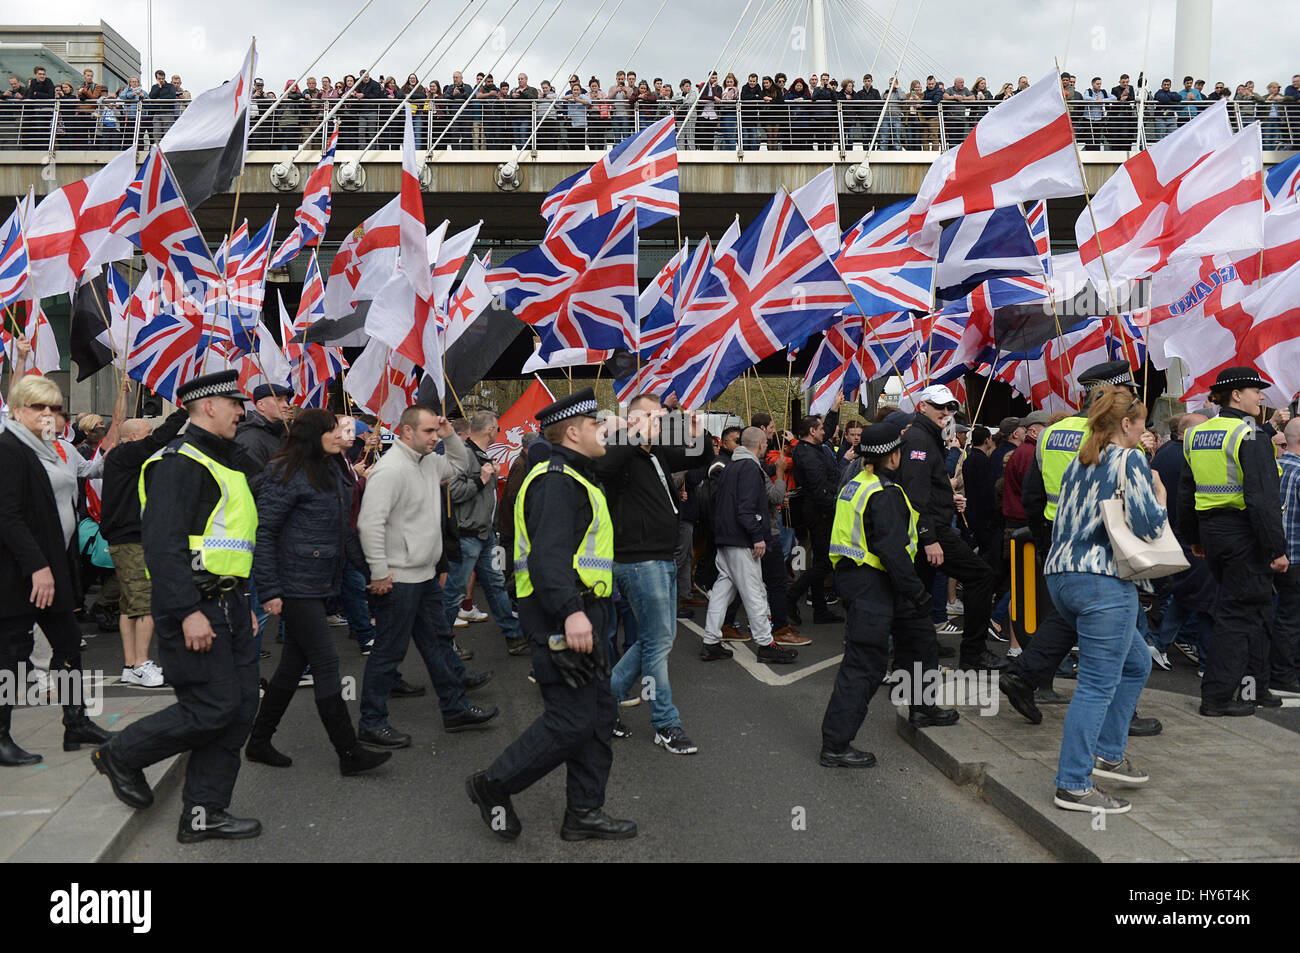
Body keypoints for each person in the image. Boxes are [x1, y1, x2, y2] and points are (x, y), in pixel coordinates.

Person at [91, 371, 263, 842]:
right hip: (193, 606)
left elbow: (232, 542)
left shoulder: (221, 461)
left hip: (226, 603)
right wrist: (188, 610)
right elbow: (164, 546)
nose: (240, 411)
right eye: (234, 403)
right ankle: (121, 753)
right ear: (207, 406)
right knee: (214, 707)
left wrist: (239, 600)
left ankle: (205, 815)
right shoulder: (176, 463)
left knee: (240, 707)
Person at [467, 389, 636, 841]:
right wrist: (571, 613)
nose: (605, 431)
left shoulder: (576, 475)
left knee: (597, 716)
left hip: (583, 614)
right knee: (571, 720)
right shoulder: (557, 481)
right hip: (564, 618)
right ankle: (493, 783)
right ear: (575, 432)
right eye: (598, 425)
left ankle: (584, 812)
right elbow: (547, 559)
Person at [1000, 361, 1163, 736]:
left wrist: (1043, 541)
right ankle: (1123, 716)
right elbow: (1139, 512)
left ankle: (1025, 675)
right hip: (1107, 549)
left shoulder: (1051, 433)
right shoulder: (1113, 442)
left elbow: (1033, 493)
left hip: (1061, 545)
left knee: (1067, 619)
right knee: (1121, 628)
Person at [244, 410, 390, 776]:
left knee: (292, 667)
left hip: (320, 581)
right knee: (326, 663)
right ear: (315, 435)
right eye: (334, 430)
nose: (343, 434)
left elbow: (343, 532)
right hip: (294, 584)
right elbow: (265, 533)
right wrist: (271, 589)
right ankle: (349, 752)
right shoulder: (284, 472)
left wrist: (371, 570)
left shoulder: (335, 469)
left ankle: (259, 742)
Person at [1044, 386, 1165, 815]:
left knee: (1136, 663)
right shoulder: (1129, 457)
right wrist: (1160, 496)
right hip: (1103, 581)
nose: (1145, 431)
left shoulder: (1082, 459)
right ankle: (1073, 783)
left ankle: (1108, 754)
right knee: (1095, 686)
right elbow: (1149, 525)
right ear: (1127, 425)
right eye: (1142, 423)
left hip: (1062, 576)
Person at [355, 406, 496, 748]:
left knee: (438, 643)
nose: (435, 437)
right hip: (399, 579)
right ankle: (371, 722)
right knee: (389, 651)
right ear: (406, 432)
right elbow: (368, 524)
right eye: (429, 431)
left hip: (424, 575)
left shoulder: (428, 462)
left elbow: (464, 465)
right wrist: (378, 572)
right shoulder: (390, 470)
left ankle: (454, 708)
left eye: (437, 431)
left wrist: (449, 434)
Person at [821, 421, 959, 768]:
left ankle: (922, 708)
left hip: (870, 580)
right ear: (892, 457)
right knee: (864, 664)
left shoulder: (860, 483)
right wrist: (918, 593)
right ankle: (836, 745)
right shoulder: (883, 494)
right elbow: (892, 551)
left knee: (919, 639)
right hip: (874, 582)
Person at [0, 376, 114, 767]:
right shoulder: (9, 448)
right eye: (38, 407)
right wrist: (38, 569)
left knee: (67, 645)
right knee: (13, 658)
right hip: (19, 573)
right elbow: (8, 516)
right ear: (17, 411)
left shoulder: (46, 450)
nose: (48, 414)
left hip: (52, 565)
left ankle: (76, 722)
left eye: (54, 408)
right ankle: (1, 736)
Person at [597, 394, 713, 756]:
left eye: (662, 417)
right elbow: (602, 467)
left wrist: (697, 432)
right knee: (659, 641)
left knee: (653, 638)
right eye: (656, 416)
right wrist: (632, 433)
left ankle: (600, 707)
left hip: (662, 556)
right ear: (635, 419)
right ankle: (666, 723)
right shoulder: (620, 449)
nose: (663, 421)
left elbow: (701, 458)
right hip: (638, 560)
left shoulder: (654, 452)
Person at [1180, 367, 1289, 716]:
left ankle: (1256, 688)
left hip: (1214, 532)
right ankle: (1216, 697)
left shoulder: (1196, 434)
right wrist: (1277, 549)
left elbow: (1186, 491)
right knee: (1238, 615)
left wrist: (1194, 537)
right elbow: (1262, 499)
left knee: (1256, 609)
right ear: (1236, 395)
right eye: (1255, 390)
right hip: (1245, 533)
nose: (1261, 396)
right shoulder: (1250, 435)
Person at [893, 384, 1001, 671]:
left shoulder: (929, 437)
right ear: (922, 406)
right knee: (980, 576)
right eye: (939, 406)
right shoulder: (918, 439)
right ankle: (972, 653)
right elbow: (915, 494)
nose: (946, 411)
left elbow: (925, 486)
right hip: (930, 529)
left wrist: (947, 497)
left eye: (950, 407)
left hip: (932, 525)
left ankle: (915, 661)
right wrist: (929, 537)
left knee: (921, 597)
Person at [100, 409, 189, 687]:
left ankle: (131, 664)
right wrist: (182, 413)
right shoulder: (123, 454)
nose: (153, 438)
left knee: (129, 604)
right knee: (145, 602)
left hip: (130, 536)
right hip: (129, 538)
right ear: (133, 437)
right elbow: (157, 441)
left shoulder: (128, 460)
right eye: (147, 433)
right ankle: (141, 663)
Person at [699, 428, 799, 664]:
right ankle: (765, 644)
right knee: (755, 592)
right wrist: (757, 536)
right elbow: (746, 508)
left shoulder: (732, 465)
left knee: (722, 591)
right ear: (761, 444)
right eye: (765, 443)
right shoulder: (750, 468)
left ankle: (711, 640)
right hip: (741, 539)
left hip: (726, 538)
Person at [443, 410, 527, 654]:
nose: (498, 433)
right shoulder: (465, 455)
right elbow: (454, 492)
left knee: (496, 584)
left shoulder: (479, 455)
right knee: (455, 591)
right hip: (468, 533)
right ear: (490, 430)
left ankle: (514, 637)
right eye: (498, 429)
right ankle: (443, 642)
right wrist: (482, 479)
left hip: (484, 534)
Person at [787, 400, 845, 625]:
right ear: (812, 432)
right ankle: (790, 598)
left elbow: (829, 429)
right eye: (820, 429)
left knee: (822, 560)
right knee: (823, 564)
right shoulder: (808, 454)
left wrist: (834, 410)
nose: (825, 432)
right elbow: (820, 490)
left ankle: (820, 610)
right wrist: (836, 507)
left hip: (821, 510)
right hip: (819, 512)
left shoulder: (811, 446)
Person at [1275, 418, 1300, 695]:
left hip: (1274, 553)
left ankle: (1278, 670)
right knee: (1291, 619)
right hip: (1296, 556)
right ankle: (1284, 674)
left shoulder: (1274, 467)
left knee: (1279, 615)